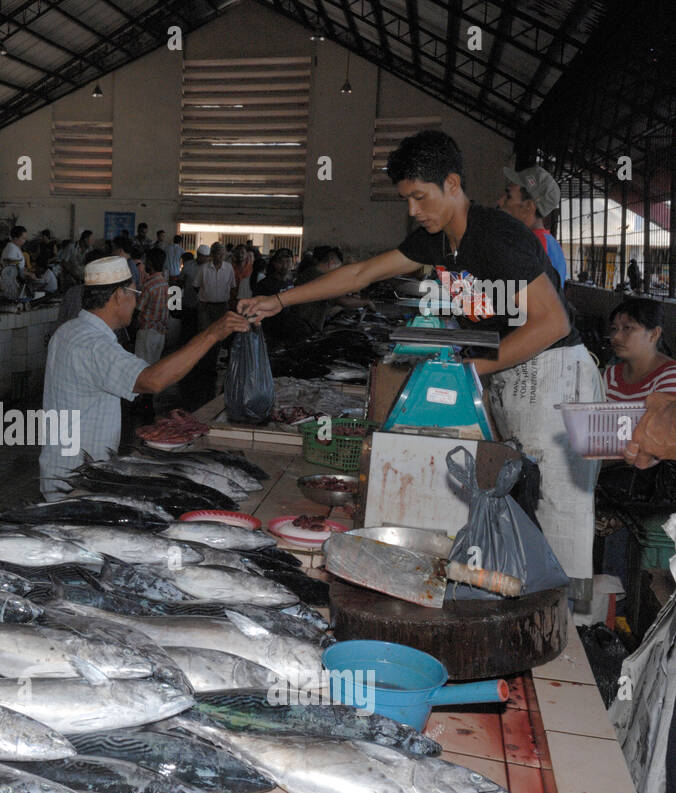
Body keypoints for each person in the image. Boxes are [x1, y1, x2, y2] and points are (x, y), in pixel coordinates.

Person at [237, 129, 602, 602]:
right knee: (524, 499)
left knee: (562, 510)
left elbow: (551, 323)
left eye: (420, 197)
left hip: (556, 378)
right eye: (406, 199)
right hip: (513, 372)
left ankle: (566, 628)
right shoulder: (438, 242)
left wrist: (466, 370)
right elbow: (361, 273)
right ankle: (530, 603)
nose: (413, 210)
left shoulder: (495, 235)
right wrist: (280, 300)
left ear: (452, 184)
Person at [39, 257, 251, 498]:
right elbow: (152, 380)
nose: (136, 301)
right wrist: (213, 334)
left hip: (64, 469)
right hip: (76, 482)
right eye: (134, 293)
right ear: (119, 295)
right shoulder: (93, 344)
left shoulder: (70, 330)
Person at [185, 241, 236, 407]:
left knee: (220, 335)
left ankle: (214, 362)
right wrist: (204, 298)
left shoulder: (228, 268)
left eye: (222, 253)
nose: (220, 256)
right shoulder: (203, 268)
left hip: (222, 306)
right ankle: (204, 363)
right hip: (206, 306)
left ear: (225, 255)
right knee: (204, 333)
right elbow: (195, 286)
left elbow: (233, 288)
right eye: (217, 253)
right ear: (212, 255)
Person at [498, 165, 568, 288]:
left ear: (528, 207)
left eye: (508, 196)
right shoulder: (551, 244)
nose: (500, 202)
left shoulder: (531, 247)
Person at [603, 297, 676, 401]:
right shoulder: (610, 376)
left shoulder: (671, 378)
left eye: (627, 328)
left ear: (654, 334)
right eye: (614, 328)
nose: (616, 336)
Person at [134, 246, 170, 364]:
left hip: (147, 332)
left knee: (141, 368)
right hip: (160, 332)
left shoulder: (148, 285)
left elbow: (138, 310)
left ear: (150, 263)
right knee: (153, 367)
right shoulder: (165, 283)